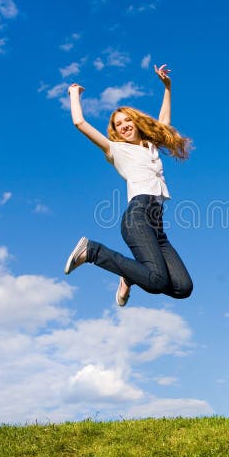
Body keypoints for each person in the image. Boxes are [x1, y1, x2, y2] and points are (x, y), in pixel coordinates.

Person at [64, 64, 193, 306]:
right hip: (138, 216)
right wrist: (74, 94)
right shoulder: (116, 150)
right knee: (155, 281)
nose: (123, 126)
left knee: (182, 287)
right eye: (117, 124)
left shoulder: (150, 146)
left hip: (157, 224)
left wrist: (167, 87)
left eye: (126, 121)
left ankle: (130, 274)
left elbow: (163, 122)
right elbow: (80, 123)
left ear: (135, 121)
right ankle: (93, 251)